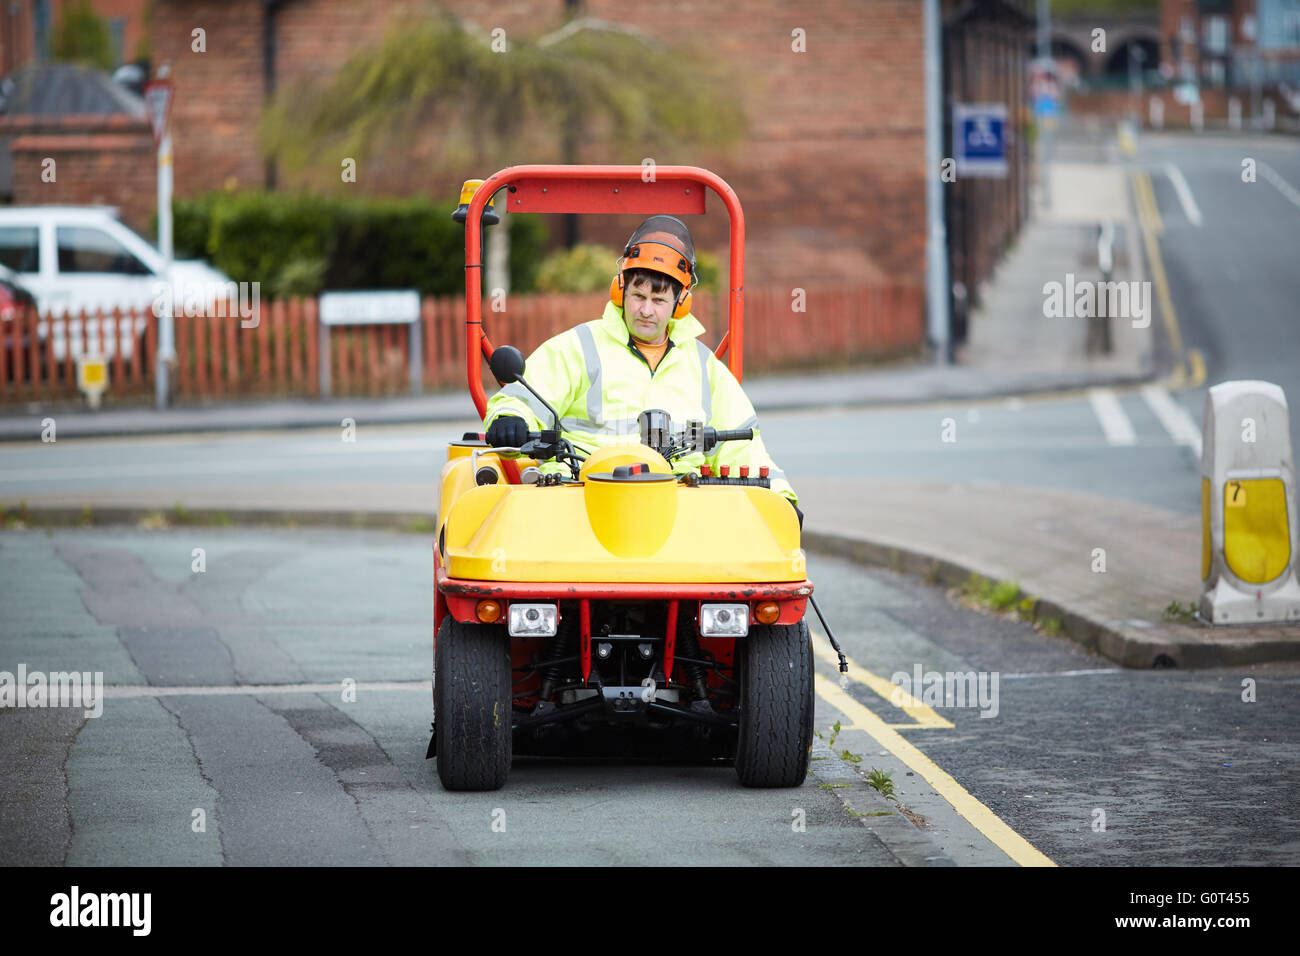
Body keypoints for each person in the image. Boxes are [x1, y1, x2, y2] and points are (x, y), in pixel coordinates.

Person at [483, 215, 799, 518]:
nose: (646, 310)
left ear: (681, 302)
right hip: (579, 503)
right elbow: (524, 398)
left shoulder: (705, 367)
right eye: (638, 295)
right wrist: (510, 418)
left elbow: (745, 448)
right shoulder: (579, 347)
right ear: (621, 289)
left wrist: (781, 500)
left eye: (659, 300)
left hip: (683, 514)